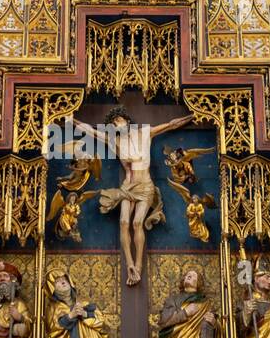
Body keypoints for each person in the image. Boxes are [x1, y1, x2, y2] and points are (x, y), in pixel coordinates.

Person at [72, 107, 193, 284]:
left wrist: (192, 116)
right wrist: (70, 120)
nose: (116, 124)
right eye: (113, 123)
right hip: (128, 186)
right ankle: (129, 265)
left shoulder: (144, 133)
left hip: (144, 187)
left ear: (127, 121)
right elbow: (90, 131)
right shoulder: (114, 141)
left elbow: (170, 125)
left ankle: (138, 266)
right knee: (123, 223)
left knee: (137, 223)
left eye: (118, 121)